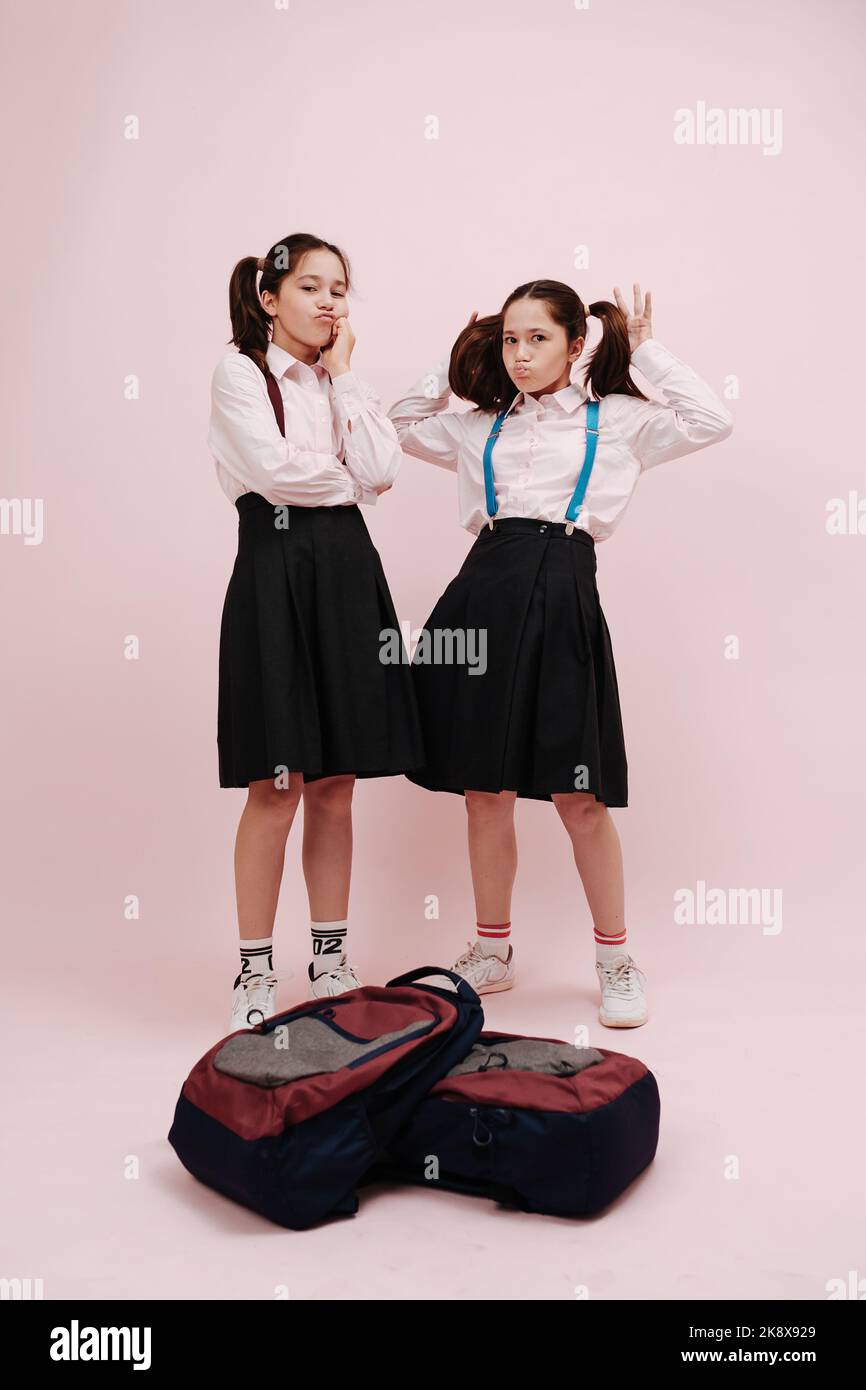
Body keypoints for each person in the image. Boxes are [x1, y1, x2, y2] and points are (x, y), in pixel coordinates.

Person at [387, 282, 733, 1026]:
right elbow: (395, 426)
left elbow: (712, 419)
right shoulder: (477, 428)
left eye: (537, 339)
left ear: (577, 344)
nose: (519, 355)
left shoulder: (619, 422)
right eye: (509, 339)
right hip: (481, 596)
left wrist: (645, 353)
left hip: (565, 593)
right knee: (485, 790)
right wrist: (454, 364)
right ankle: (492, 951)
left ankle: (614, 958)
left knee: (581, 796)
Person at [209, 233, 424, 1029]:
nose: (331, 301)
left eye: (340, 288)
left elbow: (385, 467)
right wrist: (350, 483)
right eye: (311, 287)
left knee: (336, 782)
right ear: (270, 298)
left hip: (345, 572)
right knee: (276, 782)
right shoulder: (240, 373)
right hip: (273, 570)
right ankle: (253, 970)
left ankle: (330, 958)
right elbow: (273, 473)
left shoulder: (341, 381)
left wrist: (344, 382)